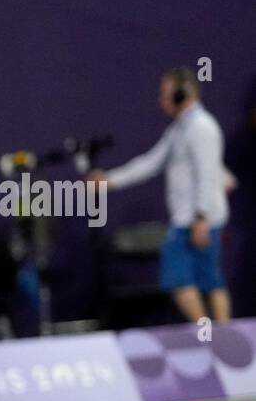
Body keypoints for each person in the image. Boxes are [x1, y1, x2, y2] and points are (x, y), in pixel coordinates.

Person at [89, 68, 234, 324]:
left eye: (166, 94)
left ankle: (213, 339)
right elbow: (151, 163)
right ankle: (217, 341)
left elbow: (206, 174)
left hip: (195, 221)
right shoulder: (180, 129)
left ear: (182, 95)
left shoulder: (201, 128)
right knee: (209, 282)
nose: (161, 101)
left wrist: (201, 217)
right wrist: (111, 180)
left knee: (185, 281)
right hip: (196, 219)